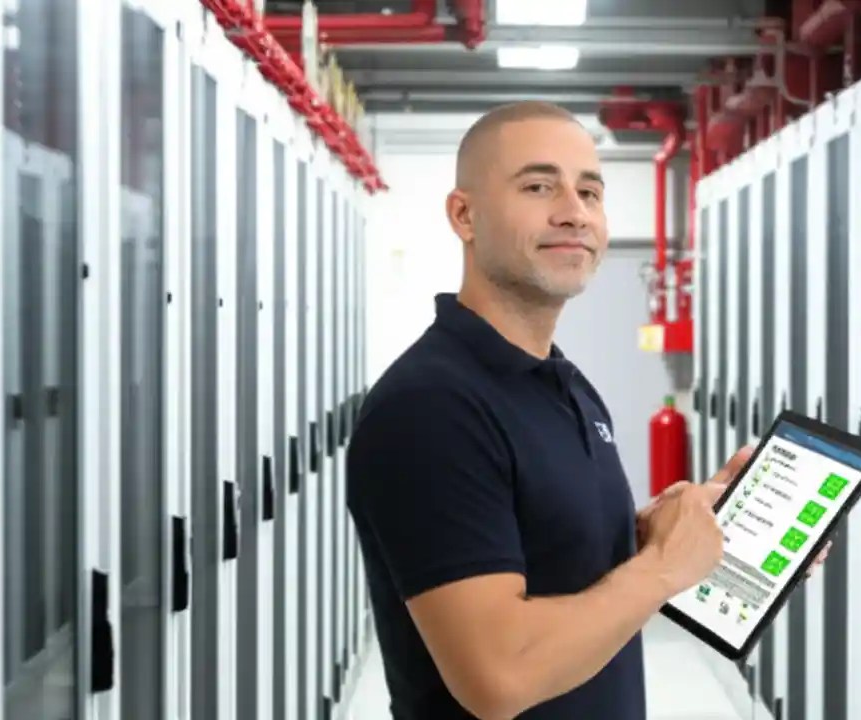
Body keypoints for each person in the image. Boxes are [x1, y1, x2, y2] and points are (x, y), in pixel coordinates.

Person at [346, 101, 828, 720]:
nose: (574, 212)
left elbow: (561, 560)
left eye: (590, 192)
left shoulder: (565, 386)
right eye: (538, 186)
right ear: (464, 215)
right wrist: (660, 567)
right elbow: (500, 675)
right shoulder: (431, 407)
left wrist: (688, 532)